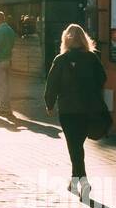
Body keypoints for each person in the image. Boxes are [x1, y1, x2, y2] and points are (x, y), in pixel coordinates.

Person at [43, 24, 107, 194]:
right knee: (77, 145)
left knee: (75, 146)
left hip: (68, 110)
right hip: (88, 108)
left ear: (65, 40)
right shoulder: (92, 58)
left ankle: (83, 182)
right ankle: (74, 181)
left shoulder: (61, 60)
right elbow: (102, 78)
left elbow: (52, 84)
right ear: (84, 39)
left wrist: (49, 104)